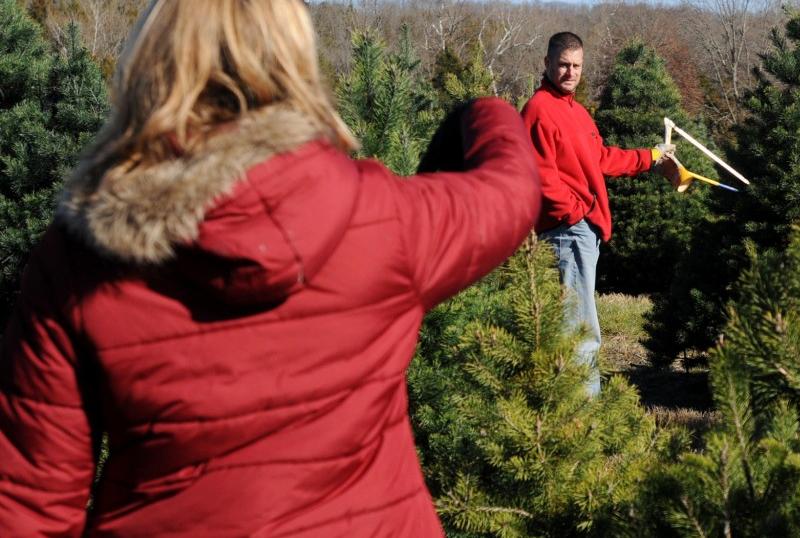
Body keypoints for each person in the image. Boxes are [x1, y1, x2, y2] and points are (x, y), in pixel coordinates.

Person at [0, 1, 539, 535]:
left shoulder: (81, 257)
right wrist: (483, 111)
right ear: (294, 63)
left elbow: (29, 505)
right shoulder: (383, 220)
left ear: (150, 64)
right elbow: (512, 193)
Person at [522, 32, 678, 396]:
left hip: (581, 230)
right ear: (546, 64)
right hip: (567, 231)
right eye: (563, 64)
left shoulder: (576, 112)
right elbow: (539, 175)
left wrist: (651, 157)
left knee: (575, 323)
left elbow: (601, 158)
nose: (570, 72)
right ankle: (584, 418)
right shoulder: (539, 110)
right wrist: (574, 213)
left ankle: (566, 407)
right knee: (581, 330)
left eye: (576, 66)